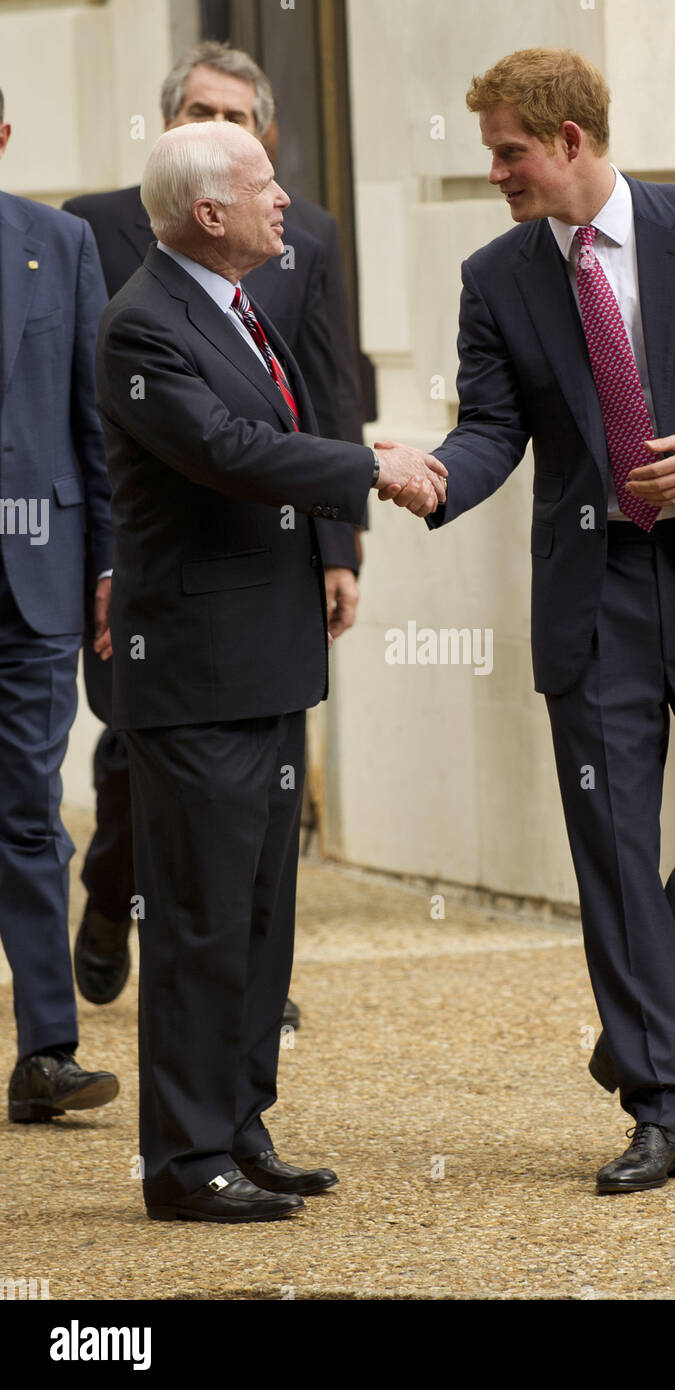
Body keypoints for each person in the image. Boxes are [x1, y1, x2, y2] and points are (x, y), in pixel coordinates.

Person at [382, 48, 675, 1193]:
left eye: (507, 152)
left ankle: (645, 1025)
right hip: (595, 602)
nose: (494, 173)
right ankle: (665, 1103)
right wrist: (438, 473)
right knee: (615, 855)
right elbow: (492, 426)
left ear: (570, 141)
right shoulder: (496, 276)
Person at [97, 121, 444, 1221]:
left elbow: (273, 431)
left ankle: (239, 1126)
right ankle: (182, 1159)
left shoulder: (238, 307)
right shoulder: (145, 325)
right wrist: (372, 466)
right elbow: (229, 455)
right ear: (209, 214)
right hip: (195, 667)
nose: (283, 198)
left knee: (257, 915)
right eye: (262, 186)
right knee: (200, 916)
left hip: (263, 662)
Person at [63, 41, 365, 1021]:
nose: (224, 131)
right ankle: (120, 901)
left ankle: (229, 988)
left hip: (265, 570)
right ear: (172, 129)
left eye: (240, 119)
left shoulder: (300, 233)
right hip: (146, 558)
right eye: (205, 112)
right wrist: (104, 560)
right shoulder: (94, 232)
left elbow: (318, 393)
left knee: (240, 780)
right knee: (140, 766)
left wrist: (336, 546)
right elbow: (96, 412)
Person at [0, 90, 119, 1122]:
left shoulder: (60, 242)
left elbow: (94, 414)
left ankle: (47, 1051)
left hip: (33, 582)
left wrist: (109, 566)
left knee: (28, 813)